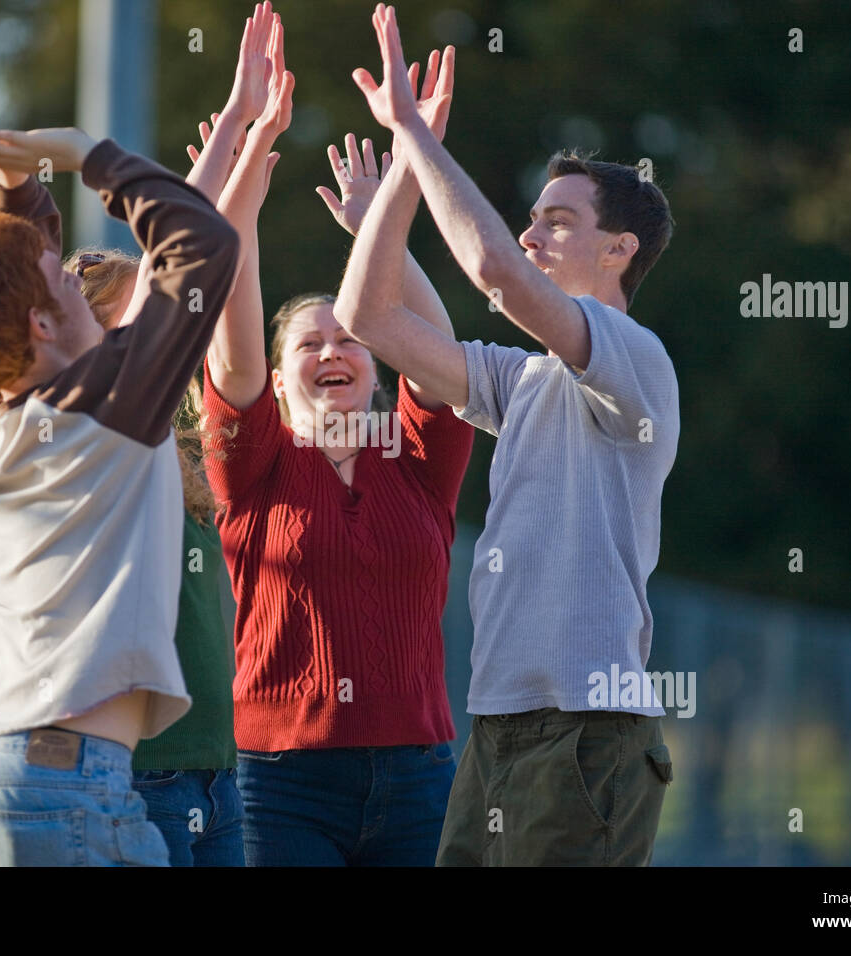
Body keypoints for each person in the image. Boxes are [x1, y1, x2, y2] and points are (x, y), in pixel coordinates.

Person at [334, 4, 679, 866]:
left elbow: (495, 272)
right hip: (496, 730)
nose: (532, 233)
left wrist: (415, 133)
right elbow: (366, 315)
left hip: (588, 732)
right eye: (533, 217)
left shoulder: (635, 358)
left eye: (558, 221)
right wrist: (396, 197)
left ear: (619, 250)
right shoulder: (523, 379)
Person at [0, 120, 239, 867]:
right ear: (40, 321)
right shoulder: (113, 402)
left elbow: (9, 278)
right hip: (62, 788)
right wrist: (82, 152)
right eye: (63, 280)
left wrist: (12, 183)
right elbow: (204, 243)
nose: (74, 273)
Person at [199, 7, 474, 866]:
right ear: (277, 383)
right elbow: (230, 303)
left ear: (381, 364)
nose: (333, 349)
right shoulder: (255, 463)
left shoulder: (419, 457)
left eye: (350, 337)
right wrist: (247, 147)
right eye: (308, 344)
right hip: (279, 781)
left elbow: (443, 346)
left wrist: (381, 226)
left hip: (421, 775)